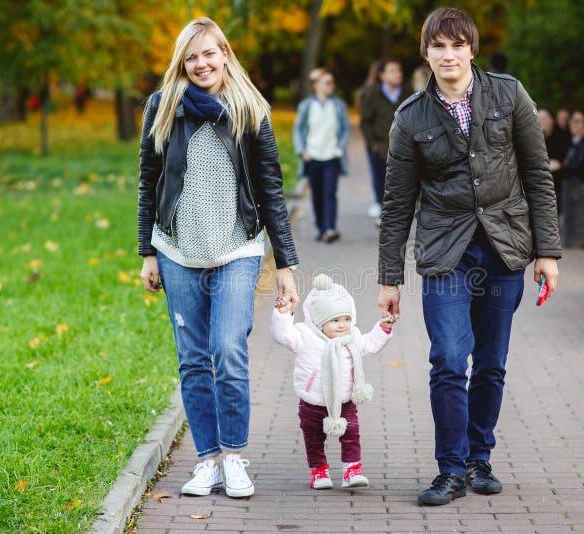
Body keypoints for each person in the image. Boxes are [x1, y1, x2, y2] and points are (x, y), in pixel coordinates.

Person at [377, 7, 561, 506]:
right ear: (427, 53)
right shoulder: (411, 116)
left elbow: (539, 176)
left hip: (505, 247)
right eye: (438, 46)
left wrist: (548, 252)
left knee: (491, 362)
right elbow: (396, 204)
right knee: (448, 357)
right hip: (445, 251)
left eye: (457, 44)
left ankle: (480, 457)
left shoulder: (509, 94)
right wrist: (388, 279)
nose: (448, 54)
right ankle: (451, 468)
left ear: (471, 49)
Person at [138, 17, 299, 498]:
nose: (201, 63)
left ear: (225, 53)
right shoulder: (162, 106)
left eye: (209, 53)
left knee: (228, 349)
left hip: (237, 246)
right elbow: (149, 180)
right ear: (181, 63)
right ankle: (207, 460)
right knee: (192, 359)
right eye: (191, 57)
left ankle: (234, 456)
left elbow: (270, 188)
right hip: (177, 250)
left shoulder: (250, 109)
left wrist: (285, 263)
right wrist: (147, 250)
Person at [272, 274, 395, 490]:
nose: (342, 325)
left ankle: (352, 469)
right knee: (313, 438)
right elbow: (283, 335)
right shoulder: (304, 336)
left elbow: (370, 344)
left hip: (345, 400)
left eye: (346, 319)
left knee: (351, 434)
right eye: (335, 320)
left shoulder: (352, 338)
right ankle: (319, 470)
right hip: (312, 402)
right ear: (319, 321)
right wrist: (283, 314)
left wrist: (382, 328)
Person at [294, 68, 350, 243]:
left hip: (332, 157)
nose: (331, 86)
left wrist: (339, 149)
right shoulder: (306, 106)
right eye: (327, 83)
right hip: (312, 156)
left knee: (330, 192)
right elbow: (299, 129)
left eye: (332, 82)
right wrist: (302, 150)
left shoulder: (338, 105)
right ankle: (321, 228)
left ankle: (330, 229)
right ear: (316, 85)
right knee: (317, 195)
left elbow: (345, 129)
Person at [360, 59, 411, 225]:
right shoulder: (372, 94)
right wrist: (372, 143)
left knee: (403, 182)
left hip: (404, 146)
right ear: (382, 75)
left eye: (399, 70)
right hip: (379, 146)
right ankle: (384, 215)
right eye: (393, 71)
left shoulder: (409, 93)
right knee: (381, 180)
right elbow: (365, 122)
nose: (398, 74)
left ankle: (400, 215)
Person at [538, 107, 571, 209]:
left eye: (544, 118)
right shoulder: (544, 137)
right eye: (538, 118)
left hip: (561, 183)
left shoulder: (560, 137)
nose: (540, 121)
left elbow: (556, 163)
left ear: (552, 120)